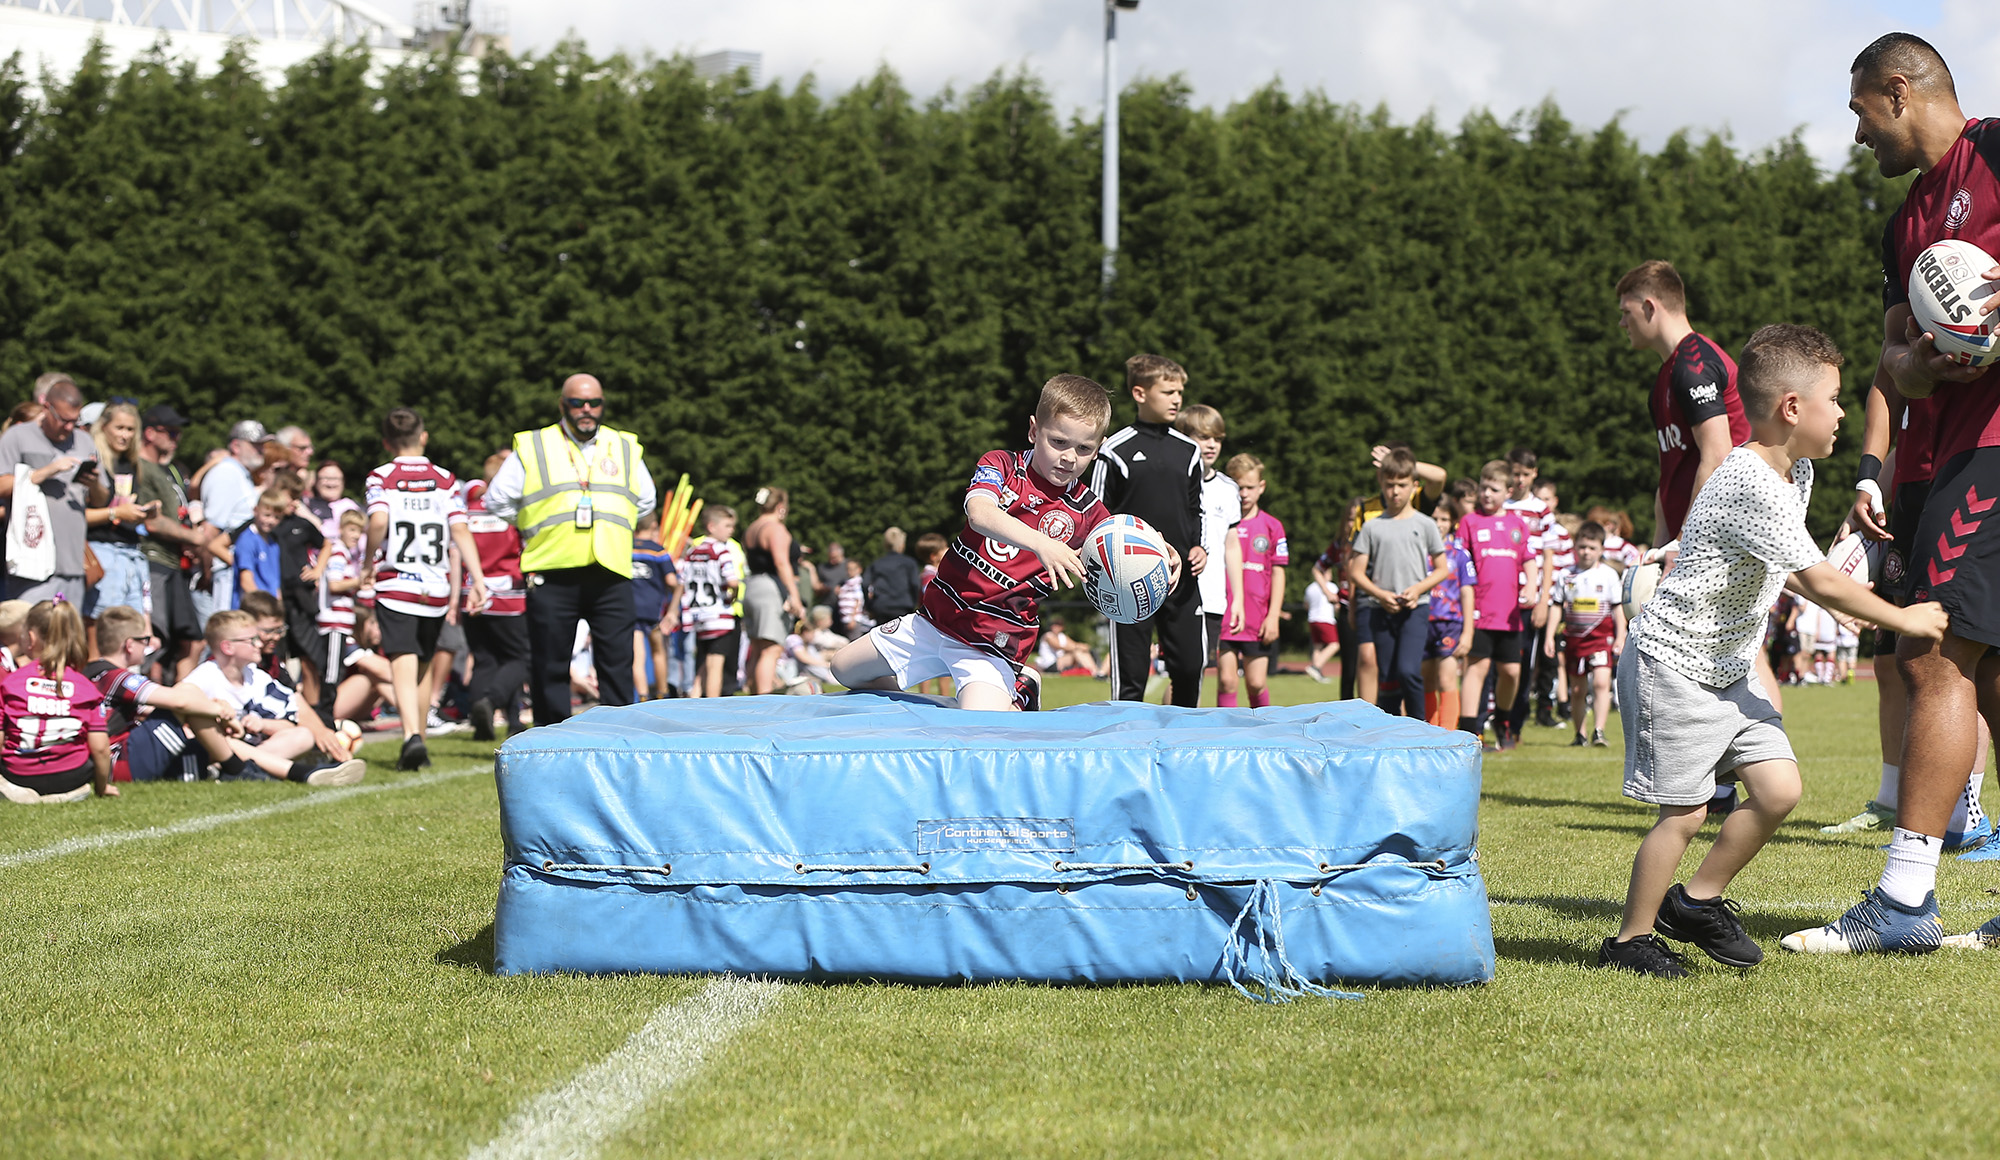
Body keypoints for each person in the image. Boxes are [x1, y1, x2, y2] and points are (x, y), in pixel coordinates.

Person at [1590, 324, 1941, 976]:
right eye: (1835, 399)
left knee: (1779, 790)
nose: (1844, 412)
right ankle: (1630, 940)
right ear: (1791, 408)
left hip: (1726, 668)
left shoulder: (1798, 470)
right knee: (1686, 813)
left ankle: (1695, 902)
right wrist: (1904, 617)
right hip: (1673, 664)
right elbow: (1815, 581)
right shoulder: (1748, 479)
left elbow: (1794, 555)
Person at [1783, 34, 2000, 954]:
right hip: (1938, 455)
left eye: (1861, 112)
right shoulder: (1903, 222)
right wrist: (1915, 362)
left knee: (1933, 657)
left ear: (1899, 90)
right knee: (1983, 675)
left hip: (1991, 451)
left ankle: (1906, 902)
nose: (1858, 134)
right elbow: (1891, 364)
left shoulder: (1998, 155)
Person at [833, 375, 1173, 711]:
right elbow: (980, 513)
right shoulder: (1002, 465)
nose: (1069, 457)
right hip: (934, 619)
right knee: (844, 669)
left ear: (1097, 448)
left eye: (1083, 448)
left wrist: (1164, 555)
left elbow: (1123, 544)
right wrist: (1043, 543)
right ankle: (939, 705)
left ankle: (1022, 689)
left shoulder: (1088, 513)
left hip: (991, 642)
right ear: (1033, 431)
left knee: (980, 727)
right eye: (1058, 442)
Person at [482, 374, 655, 727]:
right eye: (578, 403)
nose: (587, 410)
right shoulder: (535, 445)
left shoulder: (623, 446)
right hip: (553, 568)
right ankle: (553, 743)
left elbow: (646, 499)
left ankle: (620, 741)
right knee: (550, 664)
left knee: (618, 663)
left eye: (594, 403)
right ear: (563, 405)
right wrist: (533, 526)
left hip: (611, 569)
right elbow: (495, 499)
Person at [361, 408, 487, 771]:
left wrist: (369, 560)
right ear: (424, 437)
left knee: (402, 661)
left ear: (386, 441)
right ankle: (423, 741)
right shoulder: (446, 479)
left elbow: (379, 519)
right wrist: (477, 579)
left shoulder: (381, 476)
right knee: (424, 667)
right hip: (435, 584)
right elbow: (460, 530)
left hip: (397, 580)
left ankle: (411, 736)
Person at [84, 604, 319, 784]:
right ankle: (244, 770)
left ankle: (243, 768)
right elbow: (180, 699)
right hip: (120, 761)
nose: (151, 645)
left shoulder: (98, 673)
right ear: (128, 645)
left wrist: (216, 710)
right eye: (145, 640)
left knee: (197, 739)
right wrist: (221, 711)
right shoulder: (113, 675)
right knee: (189, 706)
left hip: (124, 756)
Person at [1091, 354, 1207, 707]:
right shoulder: (1114, 450)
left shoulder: (1189, 451)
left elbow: (1194, 509)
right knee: (1131, 677)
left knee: (1190, 666)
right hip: (1128, 583)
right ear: (1140, 393)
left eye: (1180, 392)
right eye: (1168, 391)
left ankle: (1185, 745)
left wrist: (1199, 547)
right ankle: (1124, 746)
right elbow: (1095, 514)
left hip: (1182, 578)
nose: (1177, 399)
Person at [184, 609, 367, 786]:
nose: (259, 644)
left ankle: (238, 770)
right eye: (251, 640)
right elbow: (181, 714)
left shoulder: (256, 676)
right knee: (226, 742)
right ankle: (299, 772)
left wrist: (263, 724)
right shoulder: (205, 676)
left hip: (253, 749)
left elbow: (289, 720)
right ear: (228, 647)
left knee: (303, 735)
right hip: (218, 750)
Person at [1345, 448, 1450, 719]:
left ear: (1414, 485)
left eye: (1402, 485)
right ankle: (1389, 731)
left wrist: (1417, 590)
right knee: (1388, 675)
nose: (1395, 492)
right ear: (1380, 482)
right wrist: (1379, 595)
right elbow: (1356, 572)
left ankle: (1419, 727)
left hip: (1416, 607)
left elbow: (1442, 569)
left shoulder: (1426, 523)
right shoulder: (1372, 526)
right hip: (1381, 608)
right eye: (1389, 485)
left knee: (1408, 670)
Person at [0, 379, 107, 604]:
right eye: (63, 420)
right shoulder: (17, 437)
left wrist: (94, 483)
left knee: (67, 639)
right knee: (29, 635)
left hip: (73, 565)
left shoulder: (85, 441)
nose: (69, 428)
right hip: (30, 566)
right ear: (46, 408)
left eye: (74, 421)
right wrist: (44, 472)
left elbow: (101, 500)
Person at [0, 599, 114, 804]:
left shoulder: (10, 683)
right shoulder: (86, 687)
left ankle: (18, 792)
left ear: (31, 638)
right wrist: (103, 786)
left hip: (19, 776)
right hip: (71, 777)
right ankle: (69, 793)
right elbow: (101, 749)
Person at [1458, 461, 1536, 749]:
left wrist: (1530, 584)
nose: (1487, 494)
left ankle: (1503, 721)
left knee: (1511, 672)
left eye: (1494, 489)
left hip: (1510, 614)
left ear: (1508, 491)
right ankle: (1468, 731)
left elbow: (1529, 560)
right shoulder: (1470, 521)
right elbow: (1459, 562)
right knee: (1476, 669)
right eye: (1483, 488)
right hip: (1479, 612)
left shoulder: (1517, 524)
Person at [132, 405, 209, 676]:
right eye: (172, 432)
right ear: (150, 433)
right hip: (152, 561)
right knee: (154, 640)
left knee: (190, 641)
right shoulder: (140, 467)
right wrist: (197, 538)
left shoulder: (165, 469)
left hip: (173, 562)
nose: (177, 438)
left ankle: (178, 711)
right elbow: (150, 519)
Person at [1175, 404, 1246, 692]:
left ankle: (1187, 734)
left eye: (1216, 438)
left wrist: (1237, 597)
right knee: (1182, 669)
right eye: (1203, 437)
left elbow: (1232, 545)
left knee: (1199, 667)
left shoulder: (1229, 489)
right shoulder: (1173, 483)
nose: (1211, 445)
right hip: (1176, 594)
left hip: (1213, 596)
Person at [463, 453, 530, 737]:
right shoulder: (512, 509)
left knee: (485, 659)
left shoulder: (469, 506)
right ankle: (490, 702)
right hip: (508, 594)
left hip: (472, 591)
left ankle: (487, 725)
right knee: (520, 658)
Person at [1217, 454, 1287, 710]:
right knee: (1226, 681)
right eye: (1238, 487)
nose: (1244, 493)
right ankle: (1226, 735)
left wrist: (1274, 616)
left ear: (1262, 487)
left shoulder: (1272, 526)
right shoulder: (1221, 524)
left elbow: (1279, 572)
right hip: (1226, 616)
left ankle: (1264, 732)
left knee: (1256, 683)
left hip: (1258, 618)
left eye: (1249, 487)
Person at [1546, 522, 1624, 747]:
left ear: (1601, 549)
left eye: (1591, 547)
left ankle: (1599, 731)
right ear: (1574, 547)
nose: (1586, 552)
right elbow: (1557, 606)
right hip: (1574, 638)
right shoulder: (1566, 575)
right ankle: (1579, 734)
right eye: (1582, 547)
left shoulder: (1609, 575)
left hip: (1600, 637)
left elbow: (1617, 608)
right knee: (1578, 688)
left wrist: (1620, 636)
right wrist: (1550, 636)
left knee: (1601, 682)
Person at [83, 403, 155, 631]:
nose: (125, 435)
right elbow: (77, 516)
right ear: (103, 427)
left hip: (130, 553)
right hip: (101, 551)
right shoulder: (91, 461)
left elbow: (120, 504)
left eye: (130, 429)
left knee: (132, 630)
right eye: (119, 428)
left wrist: (144, 512)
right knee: (104, 627)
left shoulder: (130, 463)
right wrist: (116, 513)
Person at [196, 420, 268, 621]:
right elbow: (210, 530)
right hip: (227, 574)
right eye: (255, 445)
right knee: (226, 631)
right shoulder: (226, 474)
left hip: (237, 572)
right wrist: (208, 573)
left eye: (262, 445)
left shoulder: (239, 474)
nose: (261, 450)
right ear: (236, 446)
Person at [741, 487, 807, 696]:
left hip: (752, 587)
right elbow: (781, 562)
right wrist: (795, 596)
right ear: (780, 507)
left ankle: (752, 699)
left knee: (758, 649)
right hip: (770, 590)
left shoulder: (751, 528)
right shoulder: (775, 529)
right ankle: (764, 701)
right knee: (771, 649)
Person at [1424, 500, 1477, 729]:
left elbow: (1467, 593)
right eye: (1434, 519)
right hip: (1421, 622)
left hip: (1450, 624)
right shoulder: (1417, 552)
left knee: (1446, 679)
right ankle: (1427, 731)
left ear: (1453, 522)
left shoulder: (1459, 555)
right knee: (1426, 681)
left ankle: (1446, 735)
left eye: (1444, 519)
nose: (1438, 524)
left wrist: (1467, 632)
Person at [680, 506, 742, 699]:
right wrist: (735, 593)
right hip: (719, 615)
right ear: (712, 526)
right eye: (727, 526)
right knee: (716, 664)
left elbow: (682, 581)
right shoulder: (721, 551)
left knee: (702, 666)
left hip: (699, 614)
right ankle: (712, 707)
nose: (731, 530)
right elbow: (732, 581)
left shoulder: (692, 551)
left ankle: (693, 701)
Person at [630, 511, 682, 701]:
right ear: (653, 526)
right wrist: (673, 609)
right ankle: (662, 693)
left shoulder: (625, 549)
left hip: (631, 609)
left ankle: (642, 696)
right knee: (658, 652)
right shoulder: (658, 551)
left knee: (637, 657)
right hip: (654, 610)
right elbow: (673, 581)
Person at [862, 527, 924, 627]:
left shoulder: (877, 563)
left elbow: (865, 584)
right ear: (902, 544)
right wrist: (913, 604)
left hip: (881, 606)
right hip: (903, 606)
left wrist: (870, 607)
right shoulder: (909, 563)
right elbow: (915, 584)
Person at [302, 460, 361, 540]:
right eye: (325, 478)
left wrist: (311, 519)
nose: (331, 483)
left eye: (336, 478)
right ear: (316, 482)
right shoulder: (306, 504)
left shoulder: (352, 508)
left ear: (343, 482)